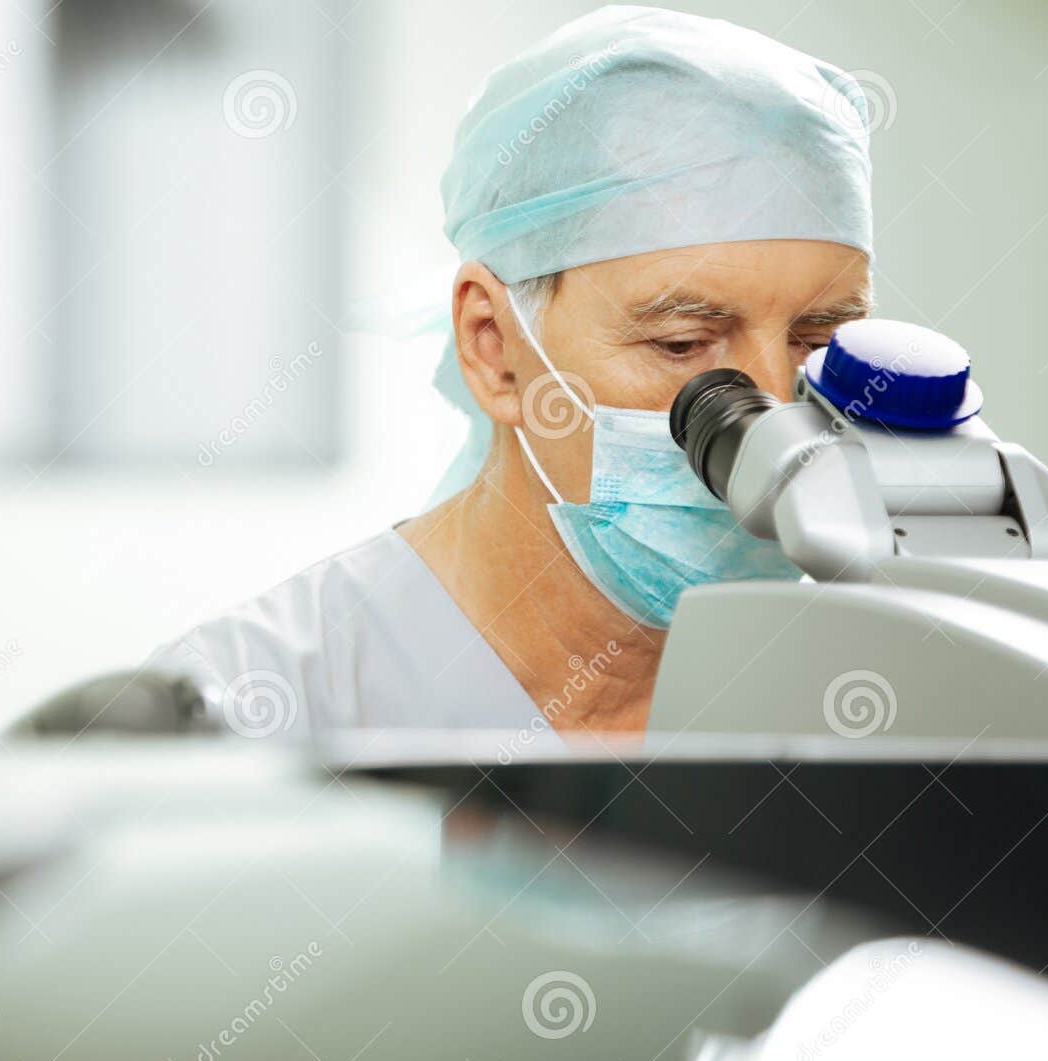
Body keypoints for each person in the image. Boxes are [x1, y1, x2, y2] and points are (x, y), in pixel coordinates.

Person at [149, 5, 874, 741]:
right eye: (684, 343)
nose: (774, 412)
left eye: (818, 342)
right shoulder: (258, 706)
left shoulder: (868, 689)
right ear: (493, 347)